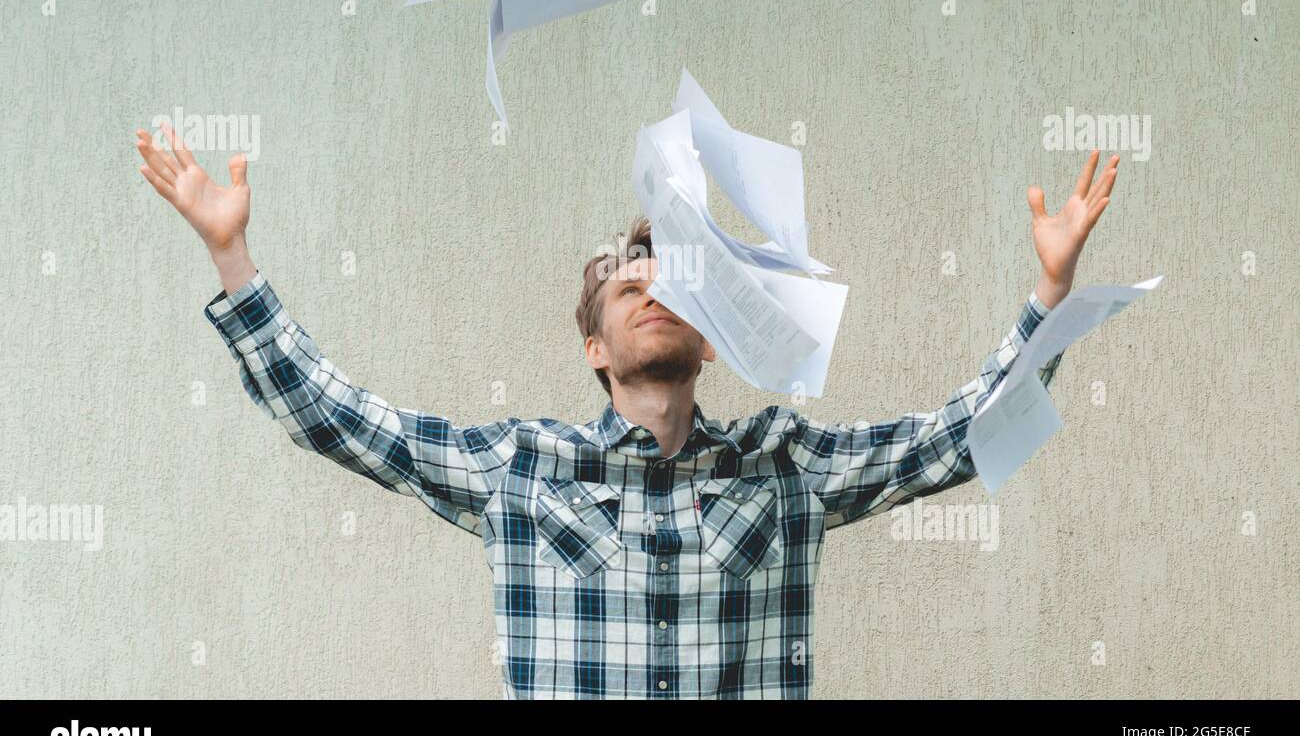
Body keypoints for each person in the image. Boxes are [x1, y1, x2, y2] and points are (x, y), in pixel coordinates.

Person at [133, 122, 1118, 699]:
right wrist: (230, 252)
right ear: (595, 349)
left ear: (711, 335)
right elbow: (337, 418)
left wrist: (1052, 291)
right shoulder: (520, 469)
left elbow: (958, 438)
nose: (651, 292)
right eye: (626, 285)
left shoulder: (785, 466)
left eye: (672, 284)